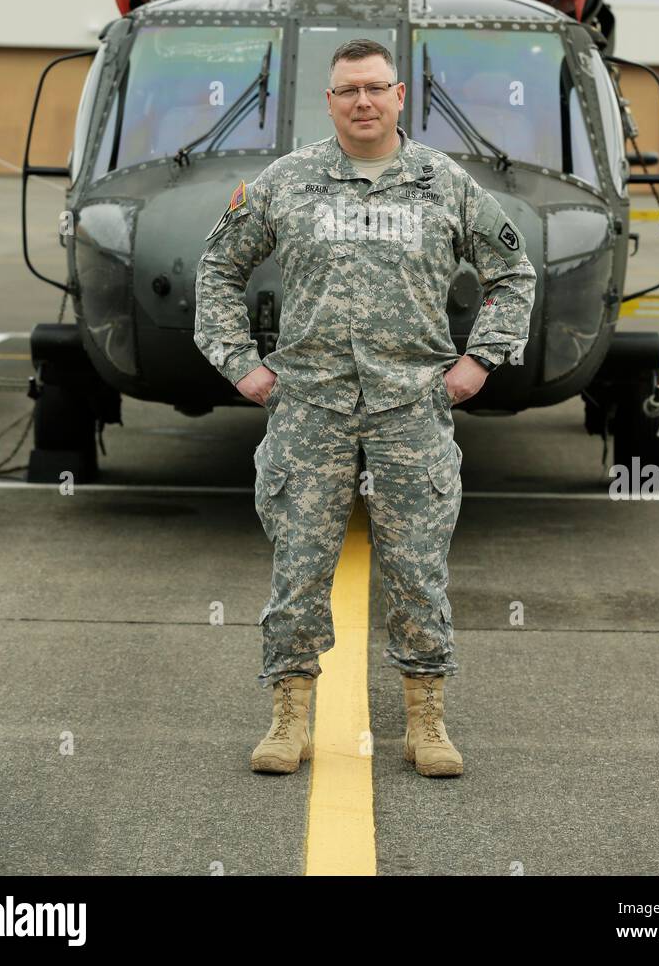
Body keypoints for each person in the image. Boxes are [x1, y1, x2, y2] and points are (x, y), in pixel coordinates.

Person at [194, 38, 537, 777]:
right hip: (309, 406)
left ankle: (427, 723)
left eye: (376, 88)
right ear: (330, 101)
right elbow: (218, 269)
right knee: (298, 568)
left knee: (418, 571)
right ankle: (288, 720)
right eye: (348, 90)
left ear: (400, 95)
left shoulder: (444, 184)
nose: (363, 102)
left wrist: (480, 360)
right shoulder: (288, 182)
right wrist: (241, 366)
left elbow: (513, 272)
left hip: (409, 406)